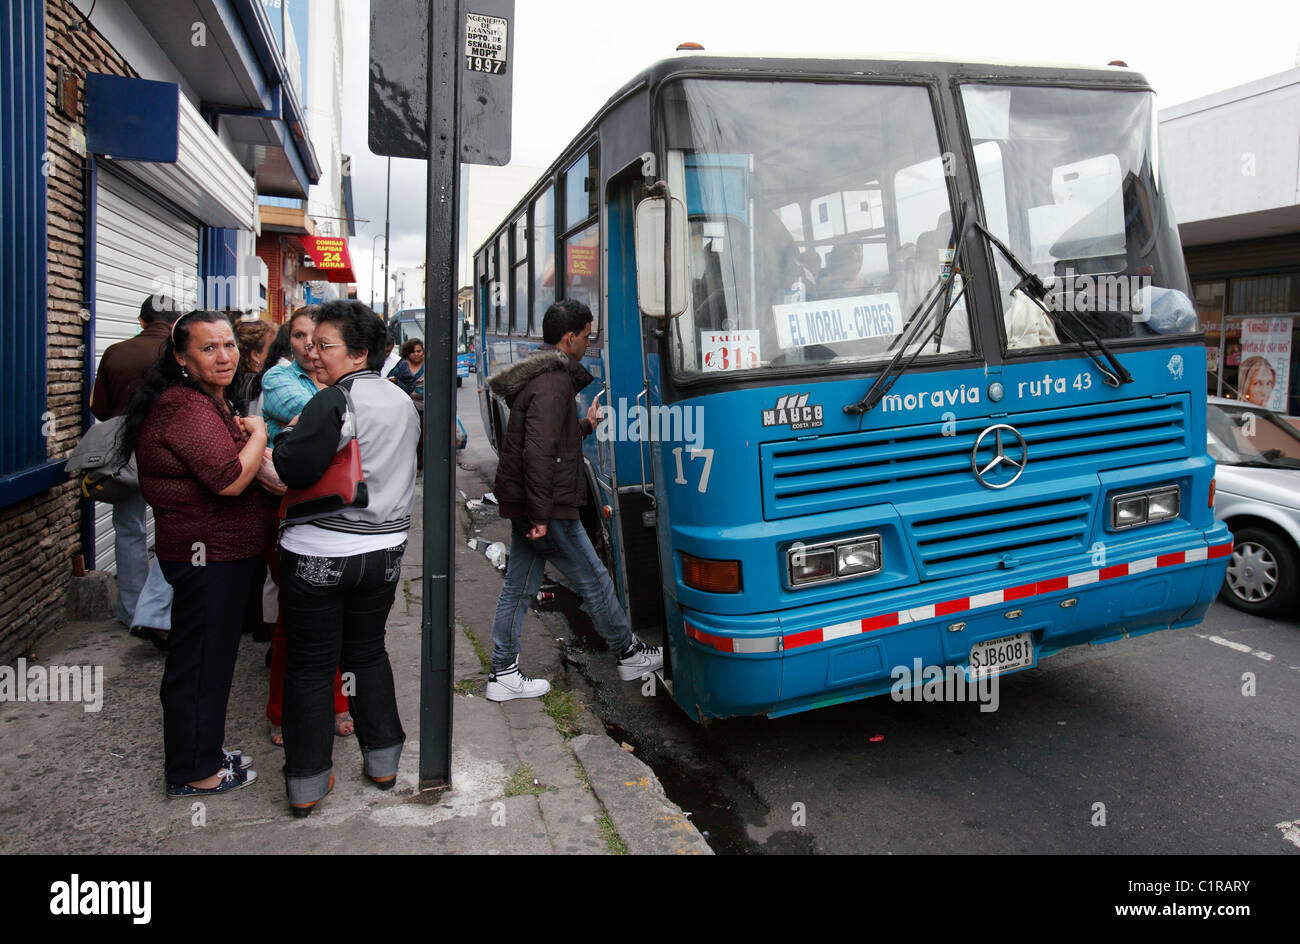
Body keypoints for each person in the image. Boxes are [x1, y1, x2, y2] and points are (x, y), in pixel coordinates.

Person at [122, 309, 278, 797]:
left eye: (229, 344)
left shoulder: (209, 401)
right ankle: (194, 771)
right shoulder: (184, 407)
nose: (224, 356)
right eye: (208, 348)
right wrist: (259, 435)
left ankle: (203, 752)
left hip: (218, 557)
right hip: (206, 558)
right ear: (180, 357)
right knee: (201, 664)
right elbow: (230, 479)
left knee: (211, 659)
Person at [272, 301, 419, 816]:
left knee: (311, 668)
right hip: (382, 555)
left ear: (358, 353)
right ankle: (383, 760)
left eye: (324, 345)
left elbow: (293, 467)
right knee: (367, 654)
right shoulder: (402, 400)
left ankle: (308, 784)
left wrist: (276, 442)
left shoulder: (334, 401)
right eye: (312, 344)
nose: (313, 353)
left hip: (320, 554)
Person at [485, 298, 662, 700]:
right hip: (548, 506)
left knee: (519, 586)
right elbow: (539, 452)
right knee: (596, 580)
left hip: (533, 502)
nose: (588, 343)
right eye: (586, 335)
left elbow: (550, 441)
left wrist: (584, 424)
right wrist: (542, 514)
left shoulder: (543, 377)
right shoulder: (554, 383)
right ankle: (629, 652)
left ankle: (502, 671)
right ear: (569, 337)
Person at [90, 294, 179, 639]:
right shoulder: (178, 353)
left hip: (125, 451)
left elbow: (100, 408)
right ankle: (162, 613)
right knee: (175, 529)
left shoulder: (115, 352)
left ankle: (131, 612)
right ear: (175, 325)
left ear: (141, 321)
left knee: (129, 529)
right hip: (172, 447)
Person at [261, 305, 324, 439]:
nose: (308, 343)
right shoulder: (276, 377)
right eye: (299, 335)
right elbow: (320, 416)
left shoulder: (341, 377)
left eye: (316, 334)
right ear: (289, 340)